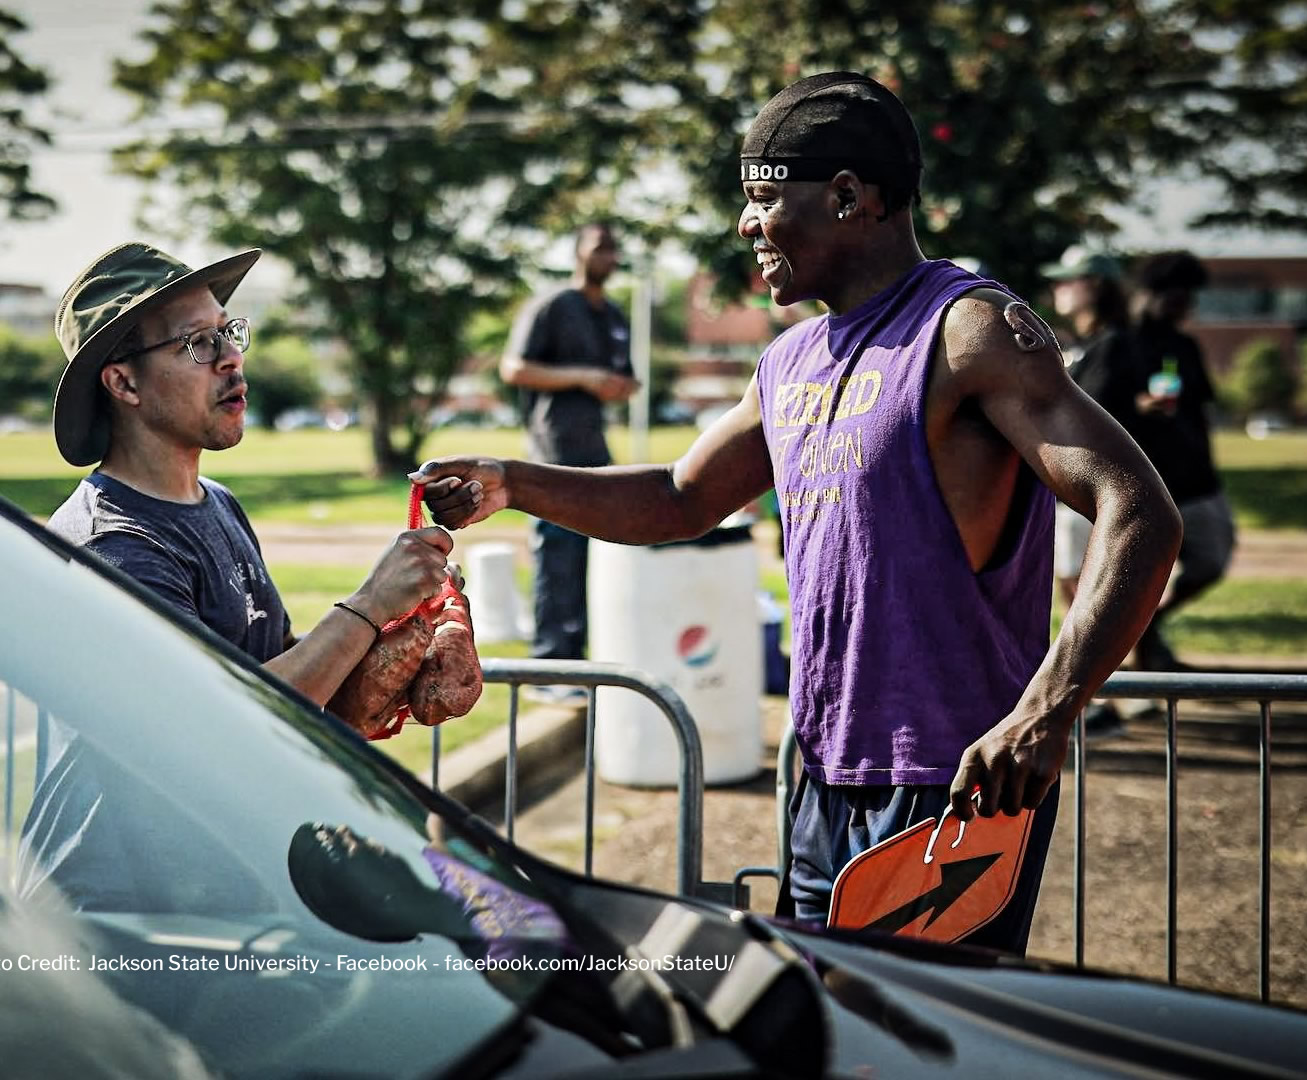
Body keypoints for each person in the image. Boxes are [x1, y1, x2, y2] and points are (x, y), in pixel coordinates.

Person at [412, 72, 1180, 952]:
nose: (746, 226)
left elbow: (1139, 511)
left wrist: (1045, 712)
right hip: (821, 774)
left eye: (763, 198)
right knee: (826, 1025)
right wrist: (514, 481)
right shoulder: (790, 360)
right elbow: (681, 497)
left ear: (849, 196)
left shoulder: (968, 328)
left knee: (917, 1042)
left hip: (952, 784)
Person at [19, 241, 454, 909]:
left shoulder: (217, 504)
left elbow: (281, 673)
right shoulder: (114, 547)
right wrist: (369, 604)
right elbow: (218, 724)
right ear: (124, 383)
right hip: (121, 917)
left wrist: (407, 635)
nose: (230, 357)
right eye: (196, 343)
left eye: (228, 331)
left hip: (217, 886)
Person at [500, 223, 639, 704]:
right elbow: (513, 368)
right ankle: (546, 671)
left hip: (594, 452)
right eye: (600, 246)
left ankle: (577, 662)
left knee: (596, 558)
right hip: (552, 451)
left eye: (613, 247)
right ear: (577, 251)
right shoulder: (553, 305)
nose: (609, 255)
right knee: (557, 556)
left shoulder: (614, 315)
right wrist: (583, 376)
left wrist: (619, 385)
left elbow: (623, 376)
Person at [1078, 251, 1235, 671]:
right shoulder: (1117, 345)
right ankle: (1134, 653)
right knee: (1130, 576)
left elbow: (1200, 410)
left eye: (1187, 296)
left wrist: (1208, 464)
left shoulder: (1184, 346)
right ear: (1146, 293)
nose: (1181, 304)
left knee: (1211, 560)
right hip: (1142, 484)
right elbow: (1088, 411)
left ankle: (1147, 625)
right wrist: (1137, 408)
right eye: (1171, 294)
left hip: (1195, 481)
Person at [1042, 245, 1134, 737]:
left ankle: (1099, 702)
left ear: (1093, 285)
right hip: (1076, 499)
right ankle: (1099, 700)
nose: (1058, 288)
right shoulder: (1091, 344)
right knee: (1076, 595)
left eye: (1067, 279)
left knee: (1085, 600)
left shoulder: (1113, 347)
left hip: (1091, 498)